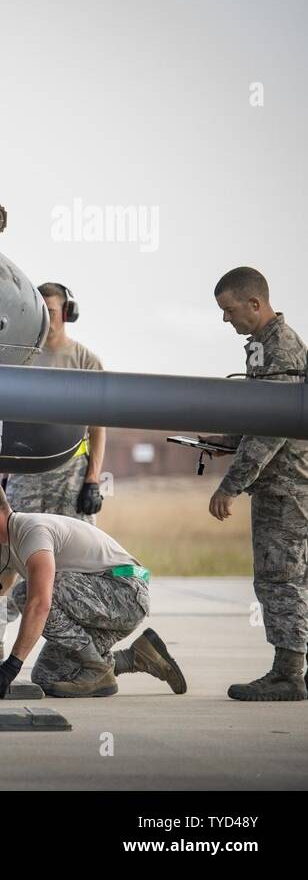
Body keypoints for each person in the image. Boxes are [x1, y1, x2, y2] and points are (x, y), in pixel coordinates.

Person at [0, 477, 186, 698]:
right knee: (47, 679)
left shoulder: (32, 531)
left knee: (29, 594)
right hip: (96, 604)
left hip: (125, 594)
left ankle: (97, 669)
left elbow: (40, 603)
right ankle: (137, 657)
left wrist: (11, 664)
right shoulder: (4, 550)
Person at [0, 280, 108, 669]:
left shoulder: (85, 361)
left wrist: (93, 479)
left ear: (67, 313)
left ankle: (85, 646)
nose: (47, 319)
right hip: (26, 474)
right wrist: (1, 473)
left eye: (53, 312)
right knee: (7, 558)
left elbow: (99, 425)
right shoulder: (22, 357)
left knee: (73, 562)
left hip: (70, 475)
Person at [205, 267, 308, 701]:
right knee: (288, 577)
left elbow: (271, 427)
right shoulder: (263, 349)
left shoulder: (279, 348)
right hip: (284, 484)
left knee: (278, 579)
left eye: (229, 310)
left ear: (254, 303)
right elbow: (258, 418)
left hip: (286, 488)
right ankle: (293, 667)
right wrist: (225, 439)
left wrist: (230, 486)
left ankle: (288, 674)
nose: (226, 319)